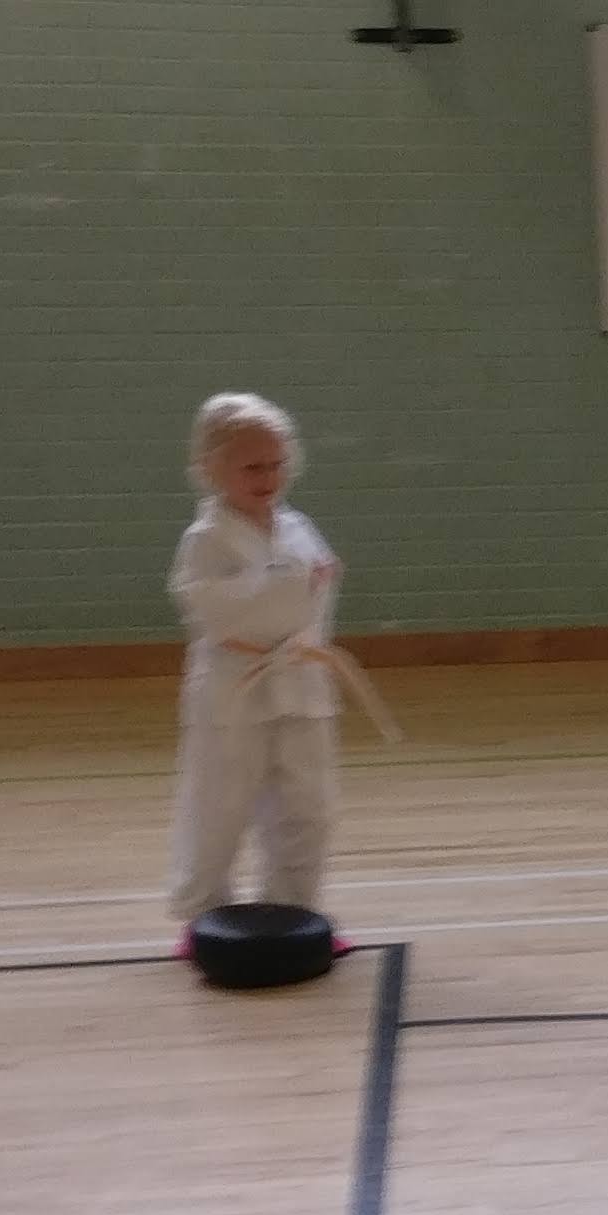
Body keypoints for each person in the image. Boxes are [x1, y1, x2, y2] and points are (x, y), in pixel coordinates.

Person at [167, 393, 380, 936]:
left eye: (277, 464)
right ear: (211, 469)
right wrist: (289, 586)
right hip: (234, 688)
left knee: (309, 805)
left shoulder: (297, 525)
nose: (268, 477)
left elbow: (315, 599)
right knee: (219, 806)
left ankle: (294, 909)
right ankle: (201, 916)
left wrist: (306, 588)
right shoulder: (205, 540)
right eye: (252, 467)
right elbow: (210, 607)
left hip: (299, 682)